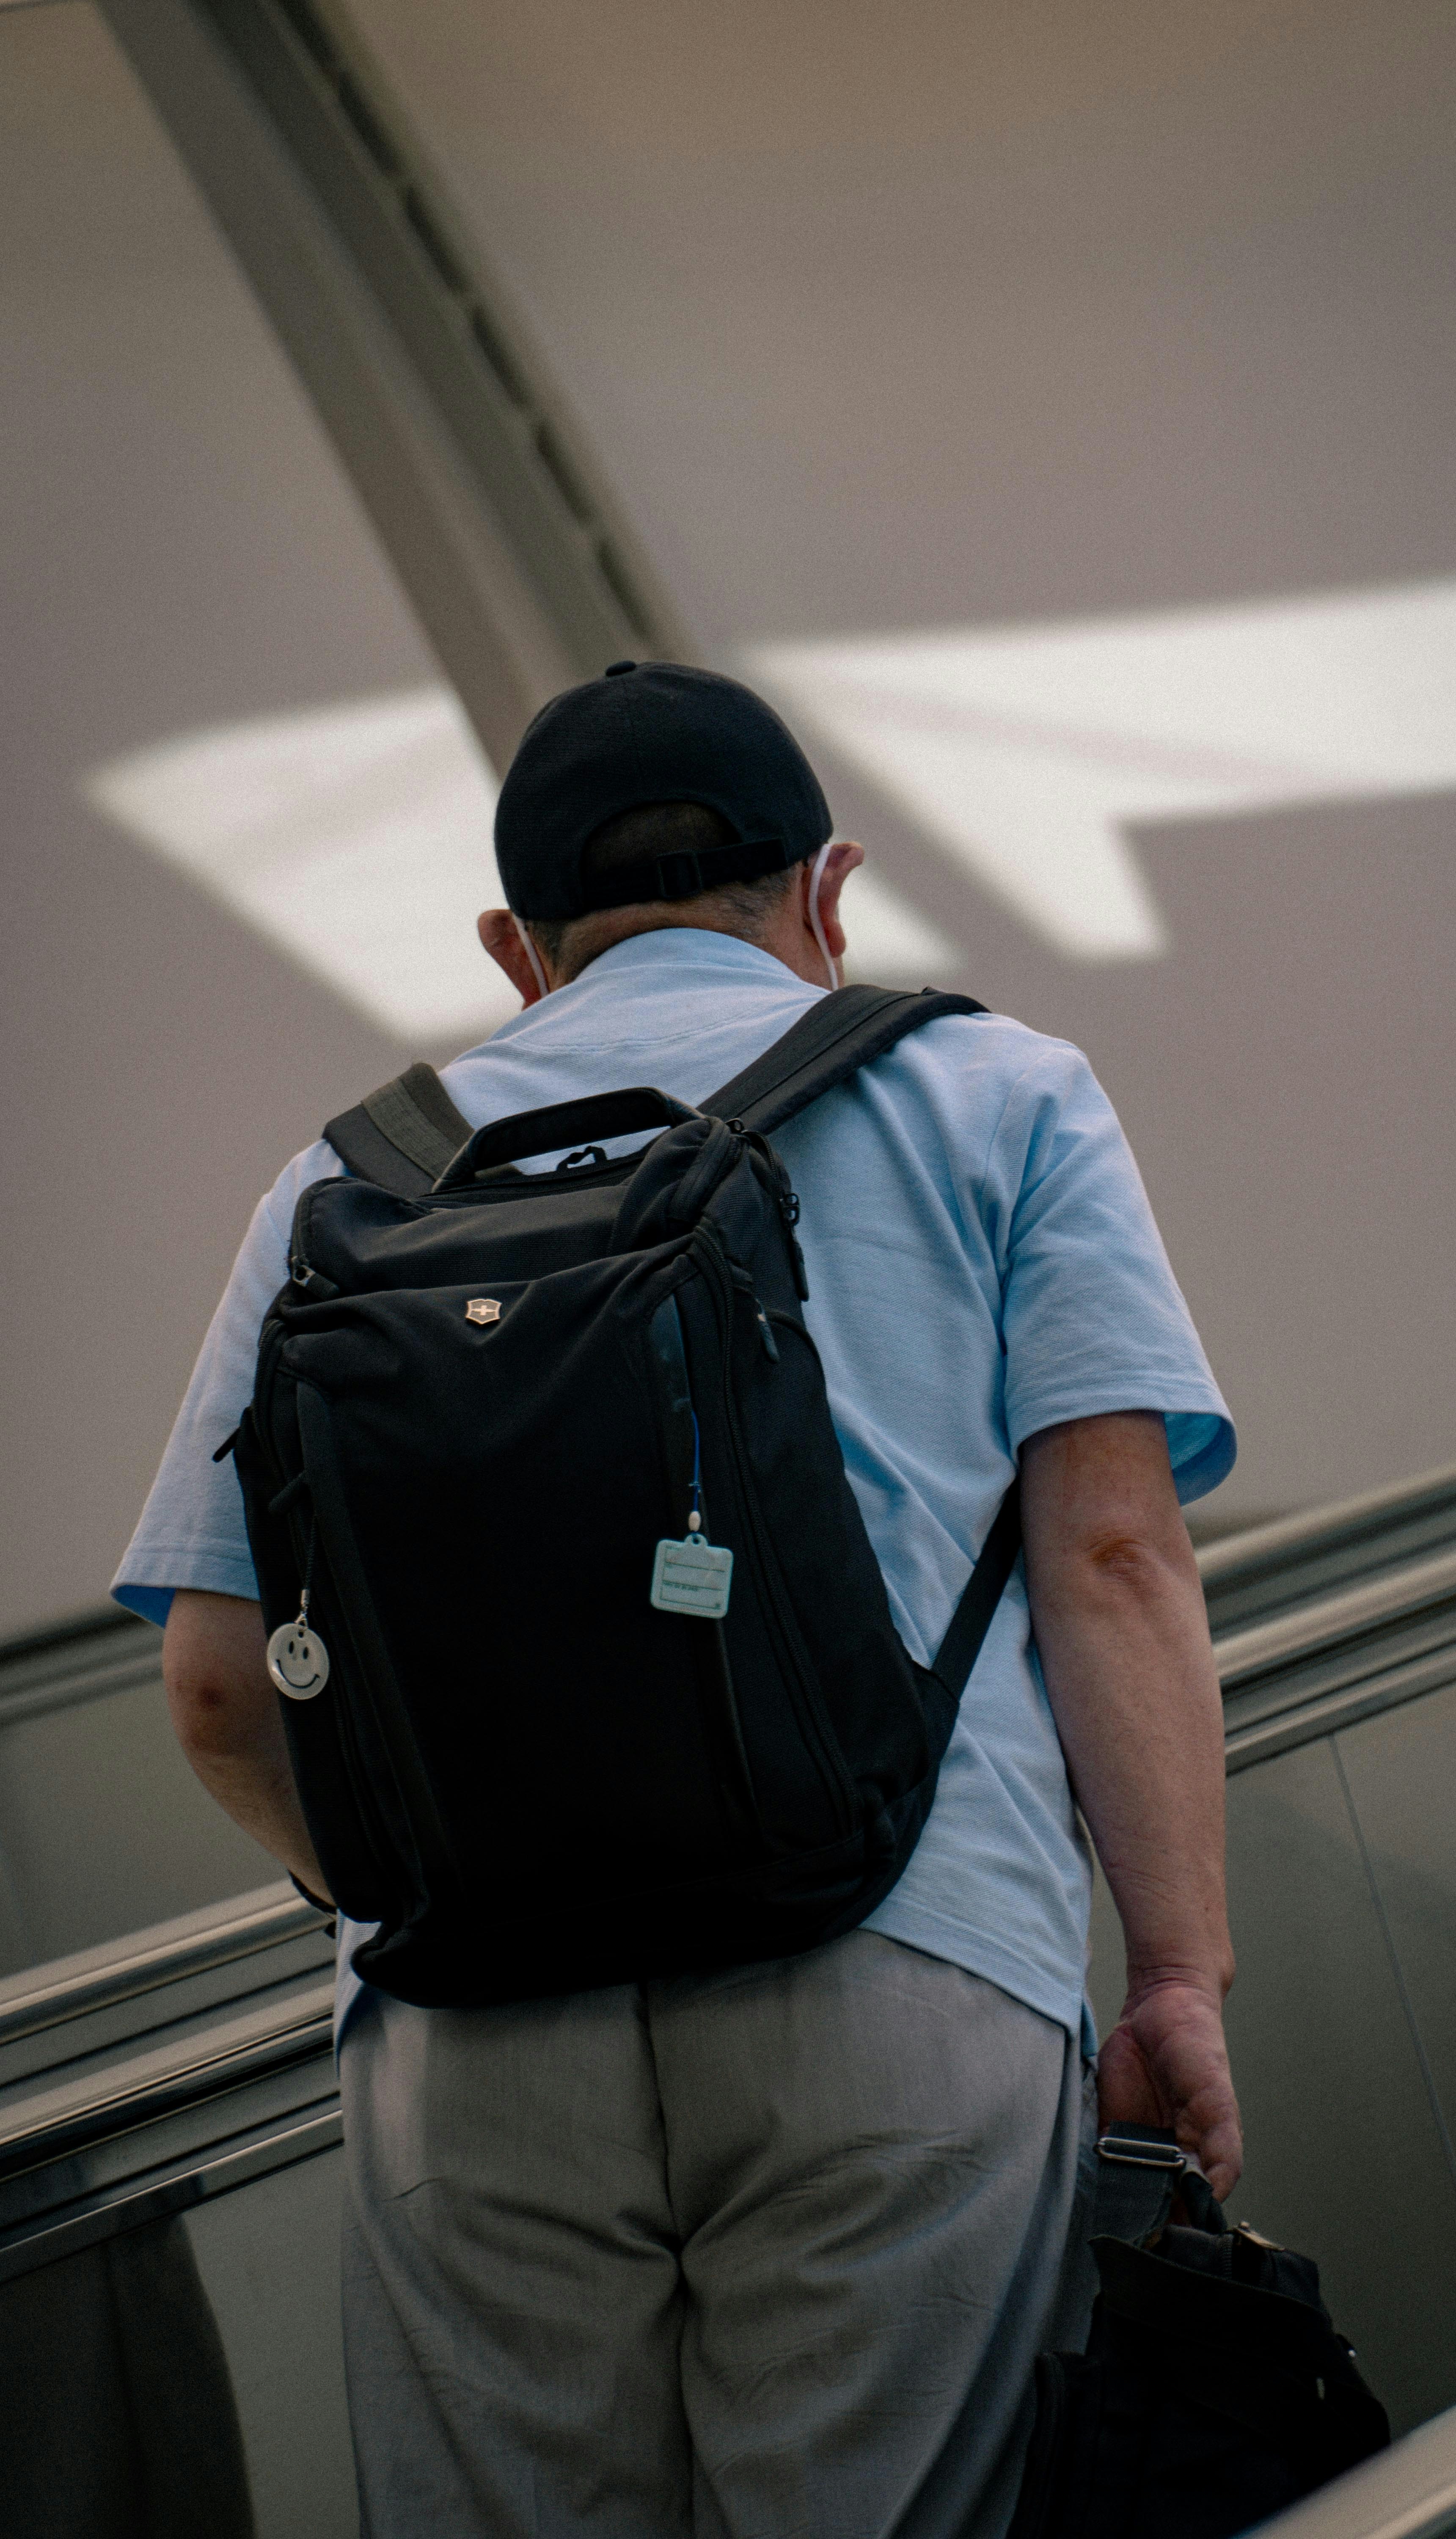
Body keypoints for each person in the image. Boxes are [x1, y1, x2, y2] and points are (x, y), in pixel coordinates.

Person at [115, 661, 1243, 2539]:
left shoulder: (341, 1183)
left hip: (470, 2036)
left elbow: (219, 1687)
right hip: (903, 1955)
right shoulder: (1001, 1094)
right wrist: (1178, 1977)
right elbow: (1116, 1561)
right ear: (828, 892)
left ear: (515, 949)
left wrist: (426, 1886)